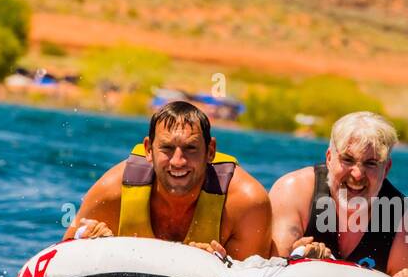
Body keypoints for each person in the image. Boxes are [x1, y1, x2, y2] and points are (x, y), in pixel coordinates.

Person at [66, 100, 272, 259]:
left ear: (210, 151)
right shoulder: (112, 192)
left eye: (191, 149)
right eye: (167, 148)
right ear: (148, 150)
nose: (178, 161)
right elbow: (59, 259)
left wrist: (219, 265)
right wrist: (85, 242)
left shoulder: (246, 203)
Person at [269, 111, 408, 277]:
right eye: (348, 160)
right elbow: (270, 273)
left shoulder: (404, 228)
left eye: (371, 163)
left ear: (386, 168)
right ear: (329, 158)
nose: (357, 175)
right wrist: (297, 256)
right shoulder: (293, 193)